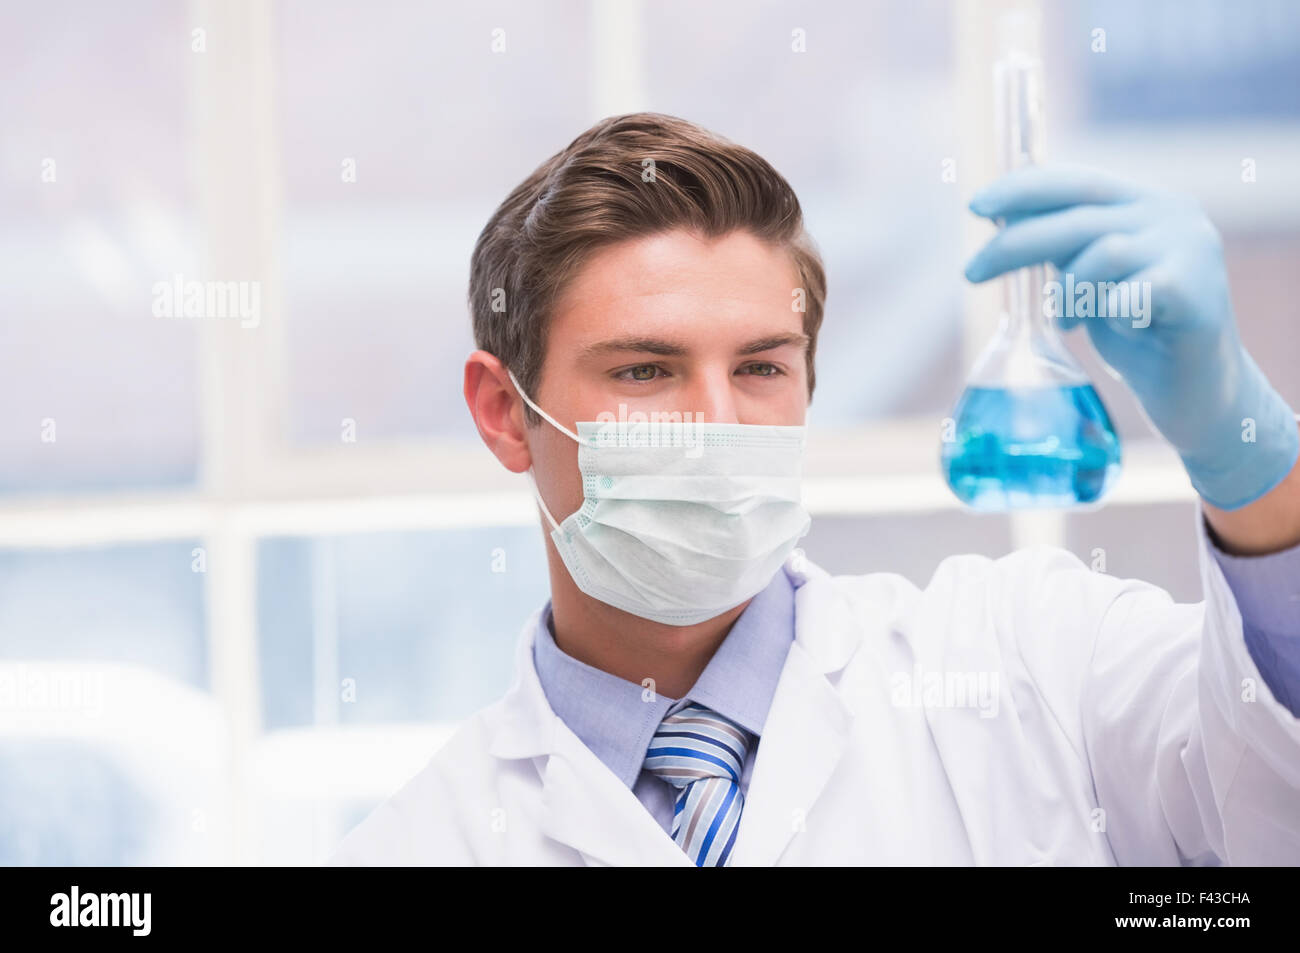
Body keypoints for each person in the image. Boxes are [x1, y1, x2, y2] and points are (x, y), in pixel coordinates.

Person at [327, 112, 1300, 866]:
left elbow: (1268, 795)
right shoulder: (421, 842)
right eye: (644, 371)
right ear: (504, 410)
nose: (718, 420)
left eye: (759, 367)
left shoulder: (1027, 662)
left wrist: (1243, 450)